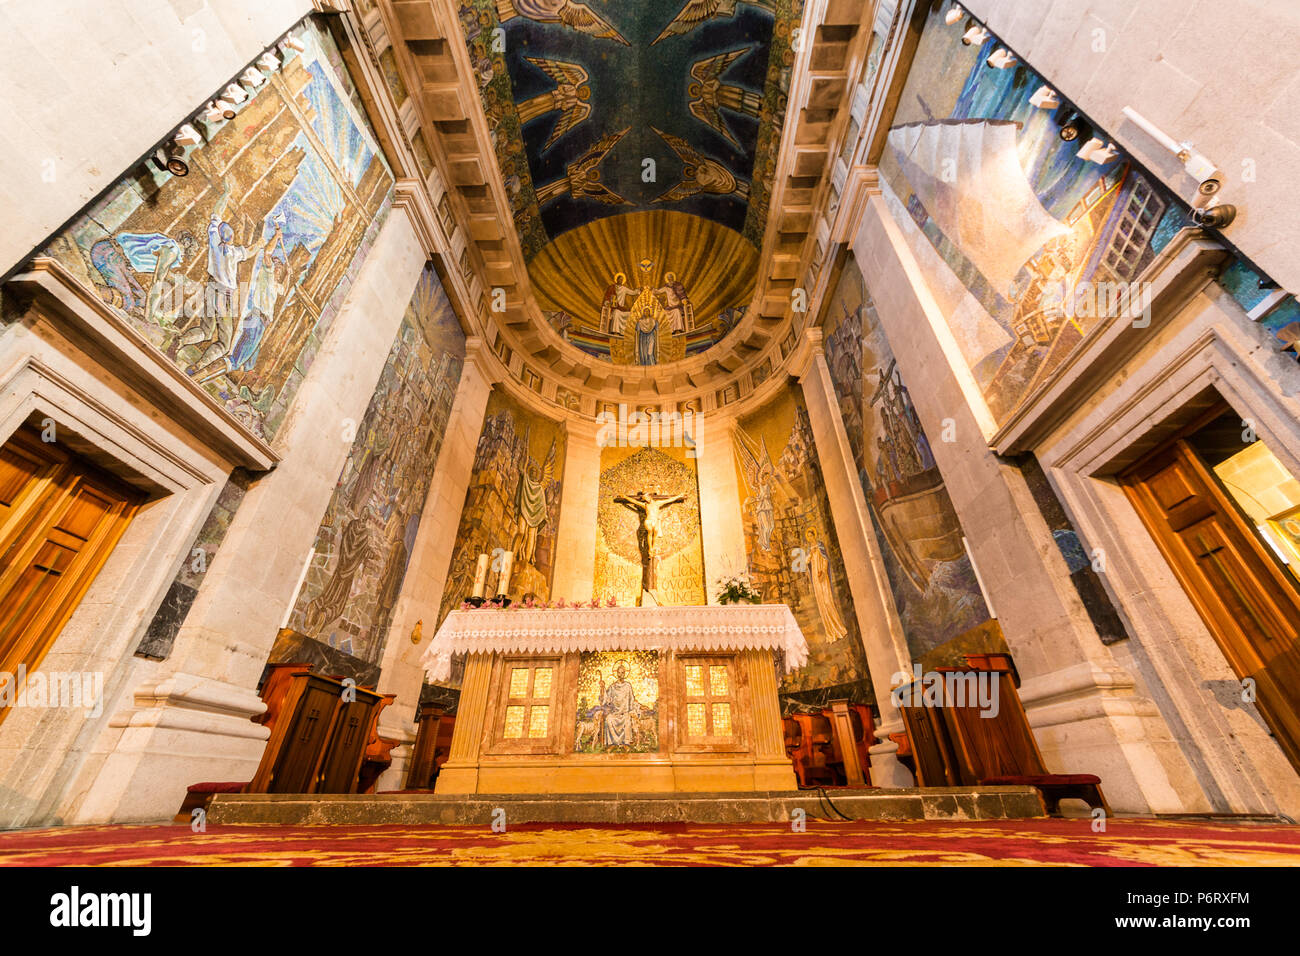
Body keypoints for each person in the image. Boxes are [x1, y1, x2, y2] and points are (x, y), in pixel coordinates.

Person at [601, 663, 638, 749]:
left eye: (622, 673)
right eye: (619, 672)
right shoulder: (613, 686)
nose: (620, 674)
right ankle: (612, 744)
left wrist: (632, 711)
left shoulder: (628, 686)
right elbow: (606, 699)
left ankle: (626, 743)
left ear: (625, 674)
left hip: (624, 713)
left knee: (627, 720)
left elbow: (632, 699)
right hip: (615, 713)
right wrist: (602, 688)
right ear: (616, 673)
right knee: (608, 719)